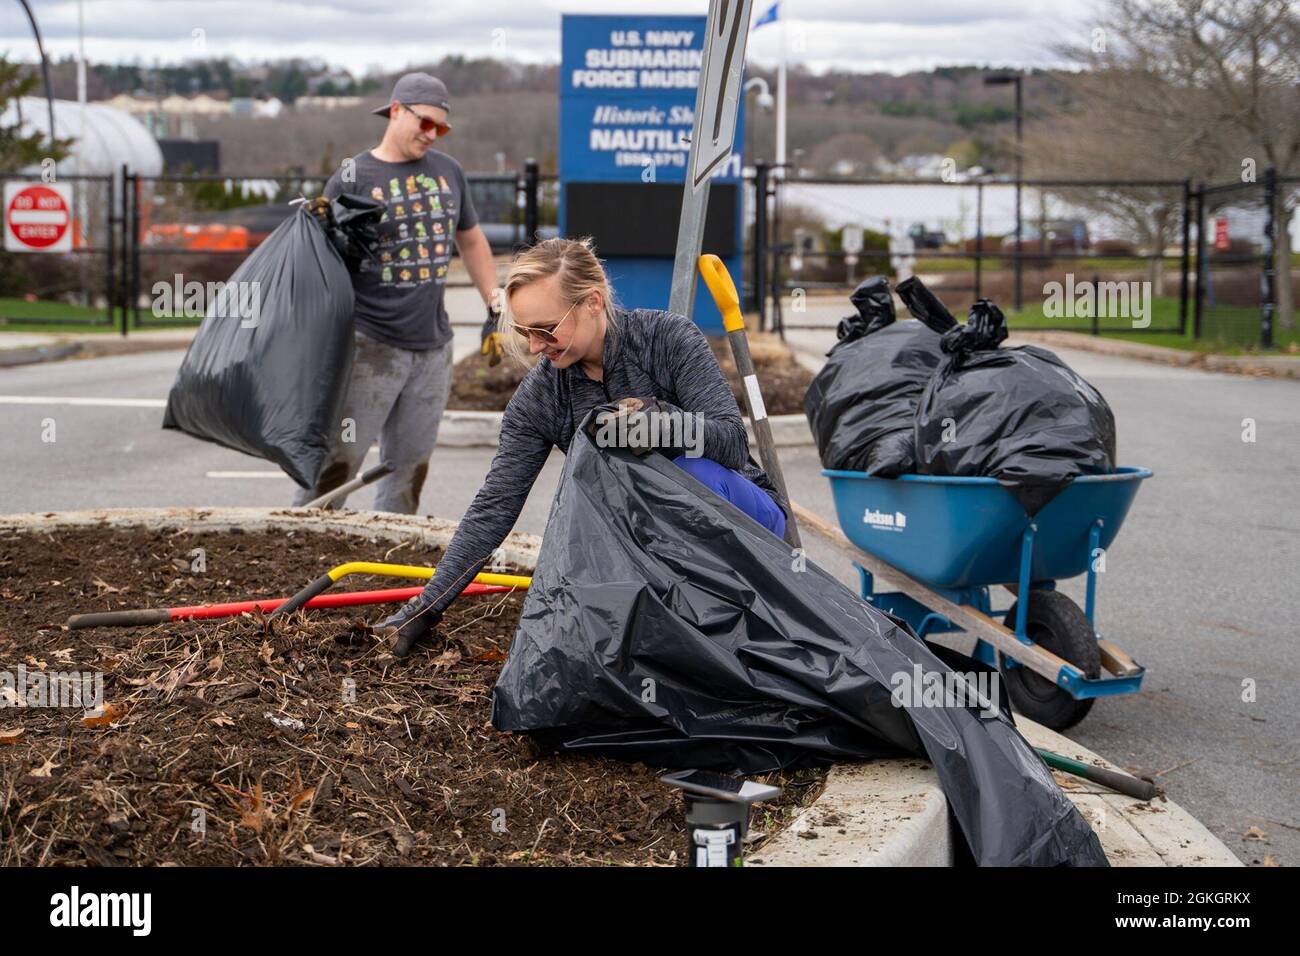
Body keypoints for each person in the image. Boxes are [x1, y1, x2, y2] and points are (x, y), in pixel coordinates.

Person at [374, 237, 788, 656]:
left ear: (592, 301)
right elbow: (495, 506)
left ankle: (727, 628)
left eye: (546, 330)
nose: (536, 346)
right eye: (524, 332)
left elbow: (732, 442)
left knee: (688, 473)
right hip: (652, 550)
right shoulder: (542, 398)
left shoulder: (666, 339)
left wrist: (662, 425)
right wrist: (425, 608)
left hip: (745, 527)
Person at [292, 72, 501, 514]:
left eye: (440, 128)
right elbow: (319, 264)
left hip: (431, 350)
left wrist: (494, 301)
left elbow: (471, 238)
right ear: (395, 111)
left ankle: (388, 559)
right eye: (424, 122)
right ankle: (304, 539)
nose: (431, 135)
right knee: (338, 460)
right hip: (368, 347)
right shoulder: (353, 176)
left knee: (407, 467)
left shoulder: (449, 172)